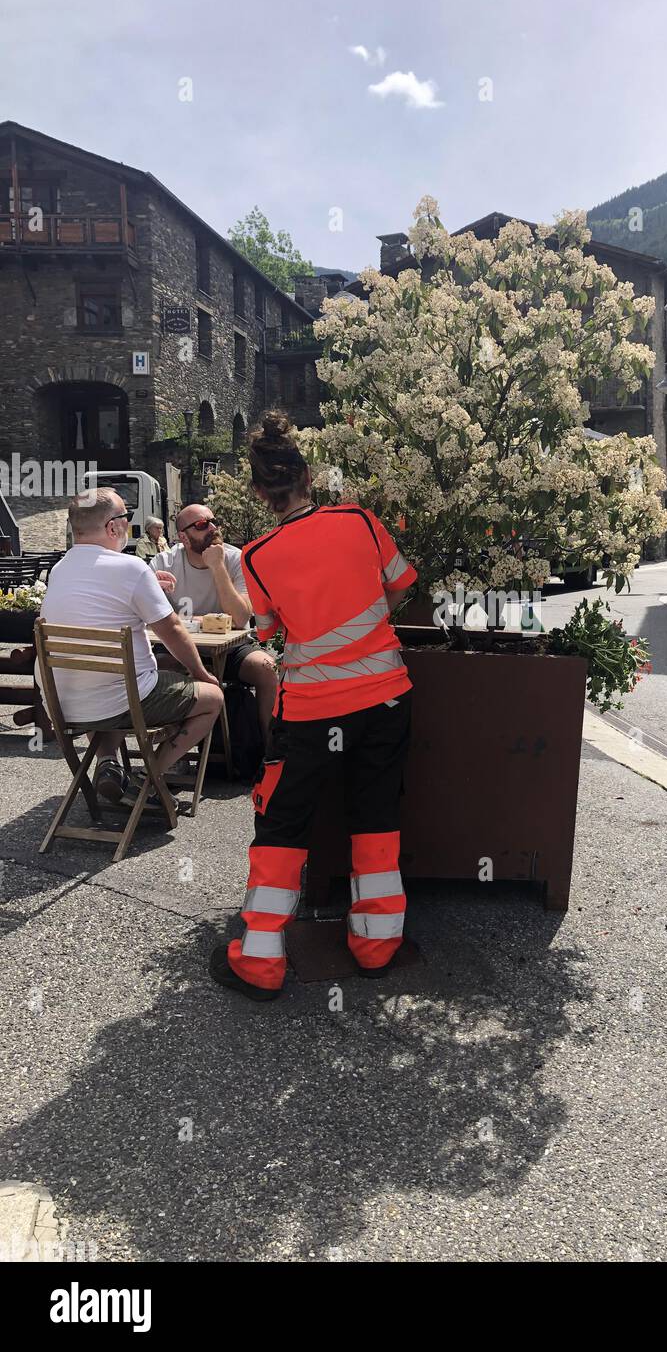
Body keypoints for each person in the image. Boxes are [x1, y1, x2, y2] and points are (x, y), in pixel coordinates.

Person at [209, 409, 418, 1002]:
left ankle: (260, 959)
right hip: (384, 698)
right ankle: (377, 946)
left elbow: (269, 631)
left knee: (283, 822)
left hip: (309, 712)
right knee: (376, 814)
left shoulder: (256, 556)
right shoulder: (359, 520)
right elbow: (402, 583)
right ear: (309, 476)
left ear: (259, 492)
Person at [39, 489, 223, 808]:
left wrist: (148, 580)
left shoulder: (59, 570)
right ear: (112, 528)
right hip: (120, 702)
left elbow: (100, 587)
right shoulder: (130, 568)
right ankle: (147, 780)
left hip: (66, 705)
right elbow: (173, 630)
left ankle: (108, 762)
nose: (128, 525)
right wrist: (201, 673)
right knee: (212, 698)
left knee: (112, 686)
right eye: (126, 518)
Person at [149, 503, 278, 737]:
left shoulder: (235, 559)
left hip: (231, 650)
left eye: (213, 521)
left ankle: (268, 750)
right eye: (201, 525)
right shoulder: (163, 564)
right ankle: (174, 752)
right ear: (184, 538)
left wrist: (217, 566)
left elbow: (240, 618)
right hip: (179, 649)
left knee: (267, 668)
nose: (212, 528)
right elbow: (151, 619)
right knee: (158, 668)